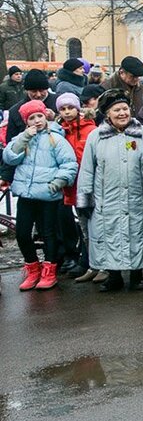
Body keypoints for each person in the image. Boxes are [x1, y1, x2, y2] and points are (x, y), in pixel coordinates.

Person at [75, 89, 143, 291]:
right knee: (109, 236)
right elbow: (87, 170)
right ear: (107, 113)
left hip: (137, 198)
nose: (122, 113)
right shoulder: (96, 137)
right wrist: (84, 200)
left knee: (136, 235)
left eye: (125, 109)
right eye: (116, 110)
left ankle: (137, 275)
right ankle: (114, 275)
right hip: (105, 200)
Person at [4, 100, 79, 290]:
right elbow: (9, 157)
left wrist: (57, 183)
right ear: (26, 121)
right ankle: (32, 267)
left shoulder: (56, 138)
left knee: (49, 233)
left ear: (45, 116)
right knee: (22, 233)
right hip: (26, 194)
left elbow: (69, 163)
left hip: (48, 194)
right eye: (32, 118)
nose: (37, 121)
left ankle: (49, 269)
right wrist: (24, 138)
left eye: (39, 116)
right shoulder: (23, 138)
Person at [56, 92, 95, 277]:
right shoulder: (60, 131)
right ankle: (87, 262)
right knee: (83, 226)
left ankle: (93, 263)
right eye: (63, 109)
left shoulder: (89, 129)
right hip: (72, 186)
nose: (67, 112)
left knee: (92, 225)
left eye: (70, 108)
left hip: (89, 184)